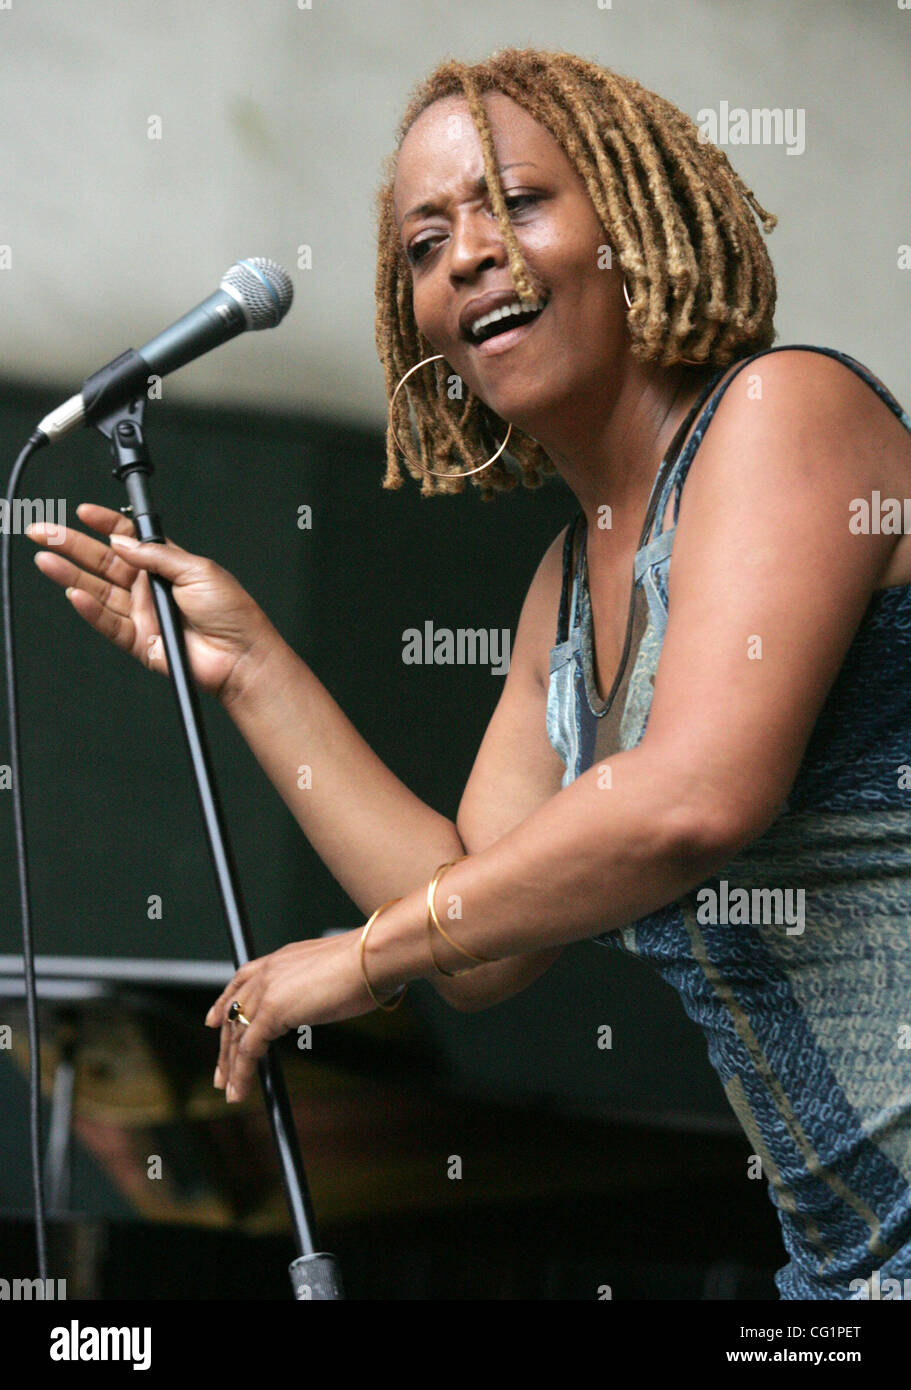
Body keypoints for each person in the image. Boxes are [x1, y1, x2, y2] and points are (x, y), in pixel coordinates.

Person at [26, 48, 911, 1301]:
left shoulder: (783, 412)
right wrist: (251, 668)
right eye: (422, 241)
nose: (466, 254)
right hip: (844, 1269)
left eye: (518, 202)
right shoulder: (562, 587)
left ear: (636, 219)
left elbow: (693, 794)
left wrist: (364, 955)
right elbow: (480, 936)